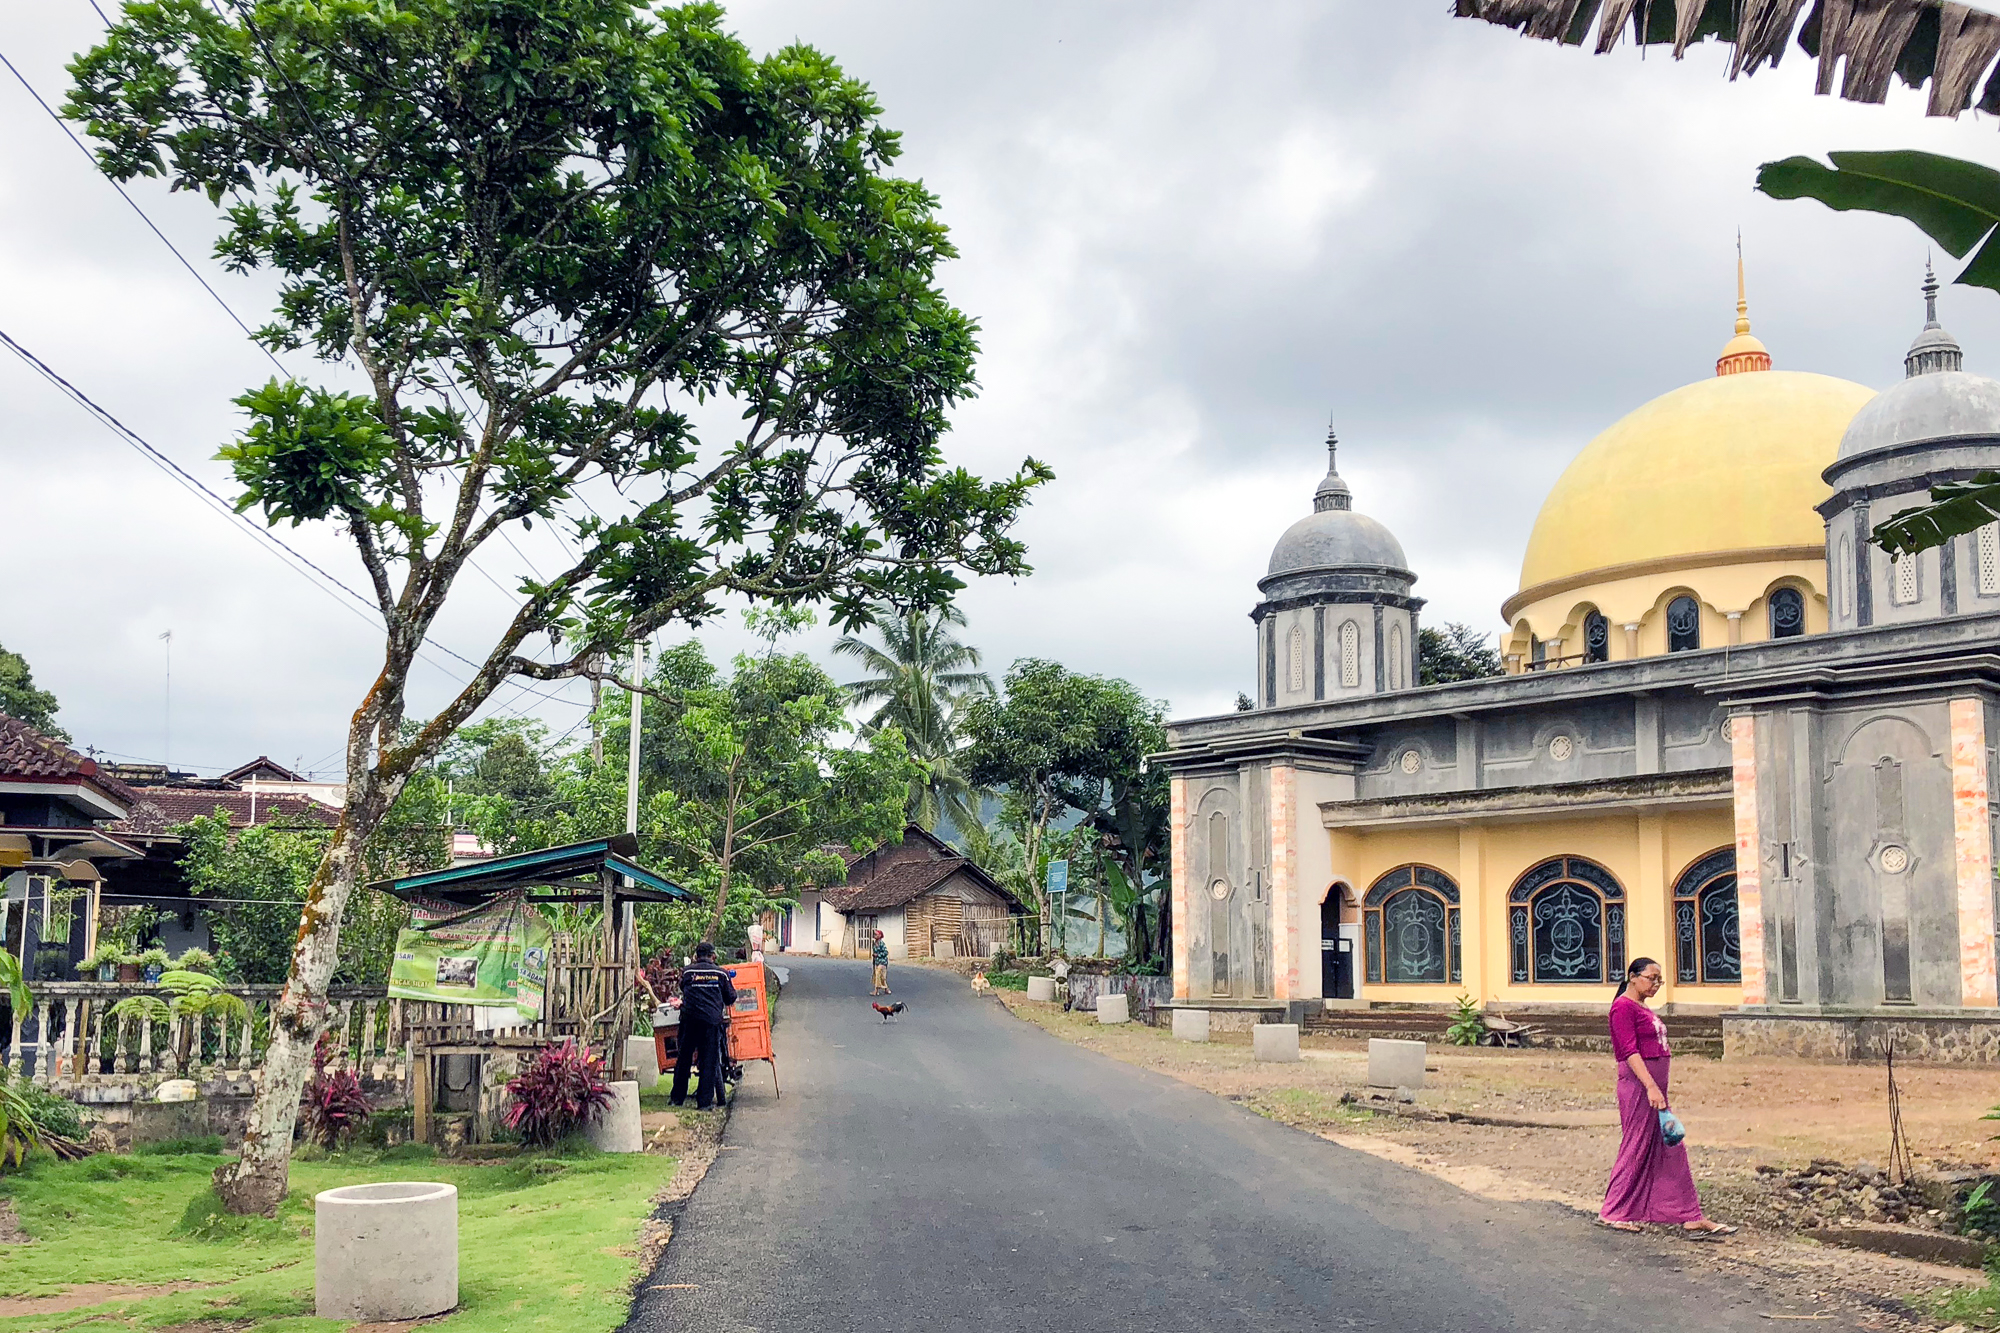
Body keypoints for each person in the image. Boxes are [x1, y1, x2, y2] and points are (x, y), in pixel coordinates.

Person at [1600, 956, 1736, 1238]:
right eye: (1651, 978)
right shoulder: (1622, 1008)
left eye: (1659, 980)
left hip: (1654, 1088)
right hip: (1639, 1087)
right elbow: (1630, 1052)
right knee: (1636, 1145)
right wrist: (1650, 1086)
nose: (1656, 985)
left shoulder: (1642, 1008)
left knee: (1671, 1148)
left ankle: (1688, 1214)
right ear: (1633, 977)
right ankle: (1614, 1211)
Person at [670, 941, 737, 1110]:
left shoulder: (688, 971)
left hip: (689, 1020)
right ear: (713, 956)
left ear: (695, 956)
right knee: (709, 1061)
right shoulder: (721, 974)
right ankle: (704, 1103)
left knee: (684, 1059)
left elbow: (683, 988)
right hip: (711, 1023)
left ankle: (677, 1099)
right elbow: (731, 997)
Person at [870, 929, 890, 995]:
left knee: (879, 974)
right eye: (874, 934)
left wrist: (878, 955)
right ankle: (886, 989)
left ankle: (876, 990)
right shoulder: (874, 943)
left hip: (882, 961)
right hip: (877, 961)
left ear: (880, 935)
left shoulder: (882, 943)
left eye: (876, 934)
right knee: (879, 976)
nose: (874, 935)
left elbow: (886, 952)